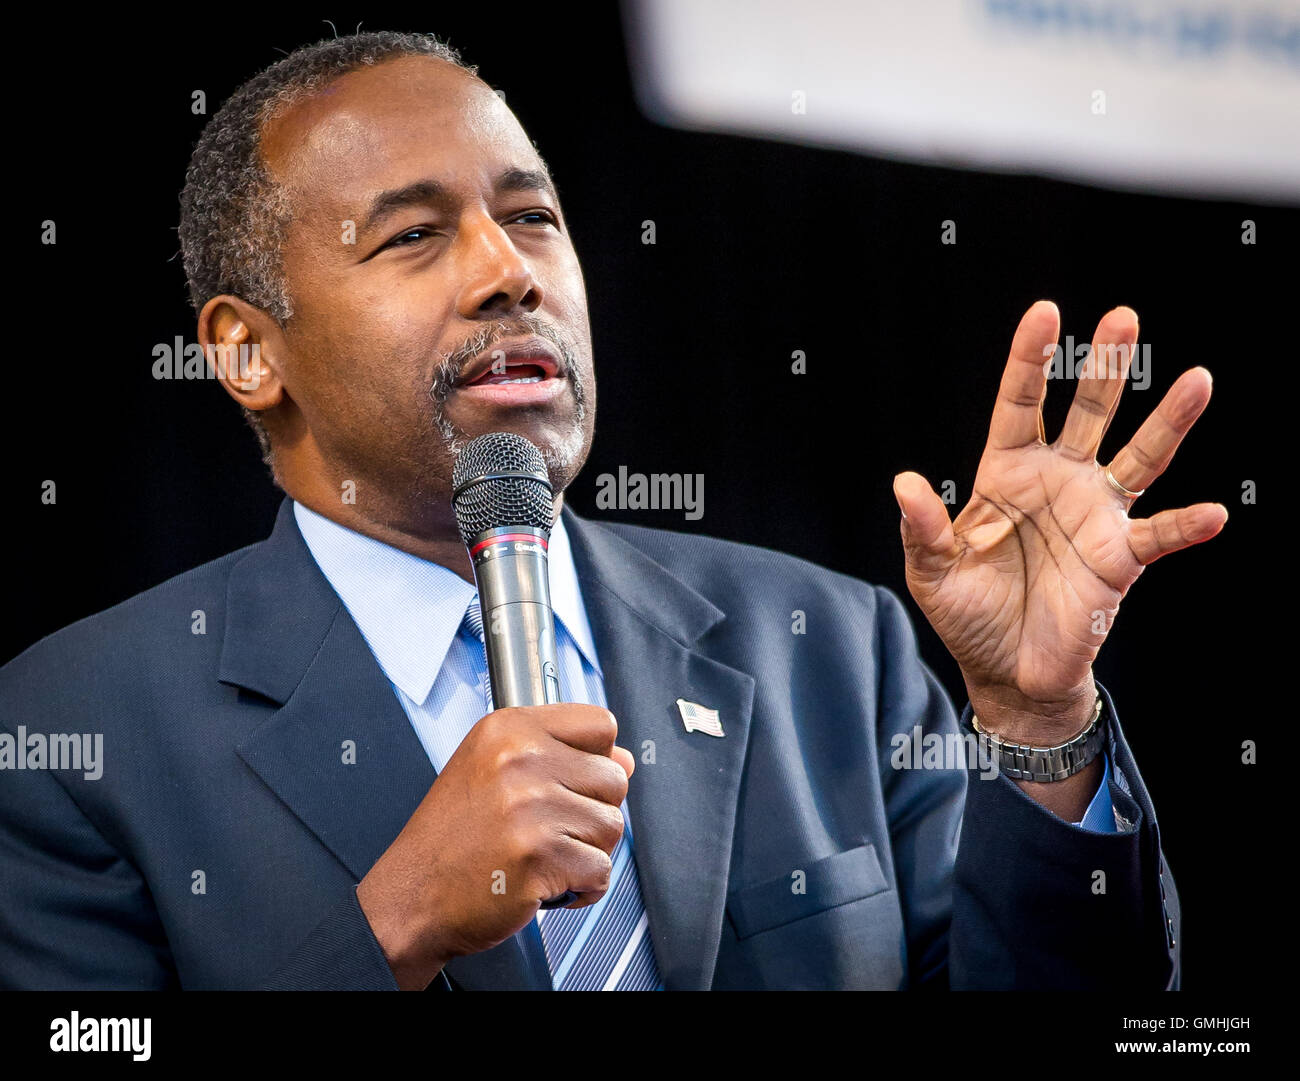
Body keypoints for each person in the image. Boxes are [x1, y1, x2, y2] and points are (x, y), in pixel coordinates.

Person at [0, 31, 1222, 990]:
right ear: (248, 353)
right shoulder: (69, 734)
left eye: (531, 216)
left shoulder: (828, 644)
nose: (507, 269)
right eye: (416, 234)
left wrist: (1034, 717)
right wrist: (390, 926)